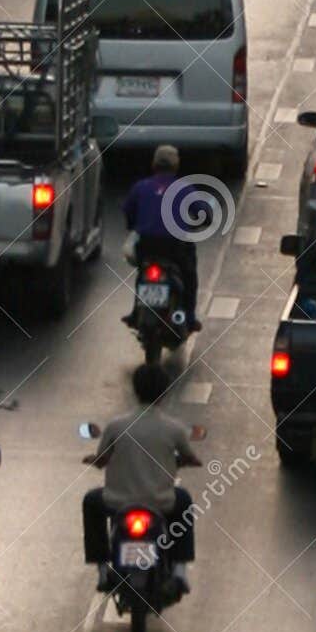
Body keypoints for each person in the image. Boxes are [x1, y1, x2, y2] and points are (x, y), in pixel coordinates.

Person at [82, 362, 203, 592]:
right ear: (165, 392)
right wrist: (183, 461)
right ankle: (179, 571)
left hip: (117, 502)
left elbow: (102, 460)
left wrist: (93, 460)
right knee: (184, 500)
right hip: (161, 502)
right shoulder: (174, 429)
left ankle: (102, 569)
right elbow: (189, 457)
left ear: (135, 390)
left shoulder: (116, 426)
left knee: (91, 501)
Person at [123, 144, 203, 332]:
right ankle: (189, 317)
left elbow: (128, 211)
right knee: (189, 274)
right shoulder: (183, 189)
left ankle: (136, 312)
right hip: (174, 247)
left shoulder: (140, 187)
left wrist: (133, 225)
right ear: (176, 165)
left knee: (142, 272)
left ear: (154, 164)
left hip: (147, 245)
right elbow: (202, 210)